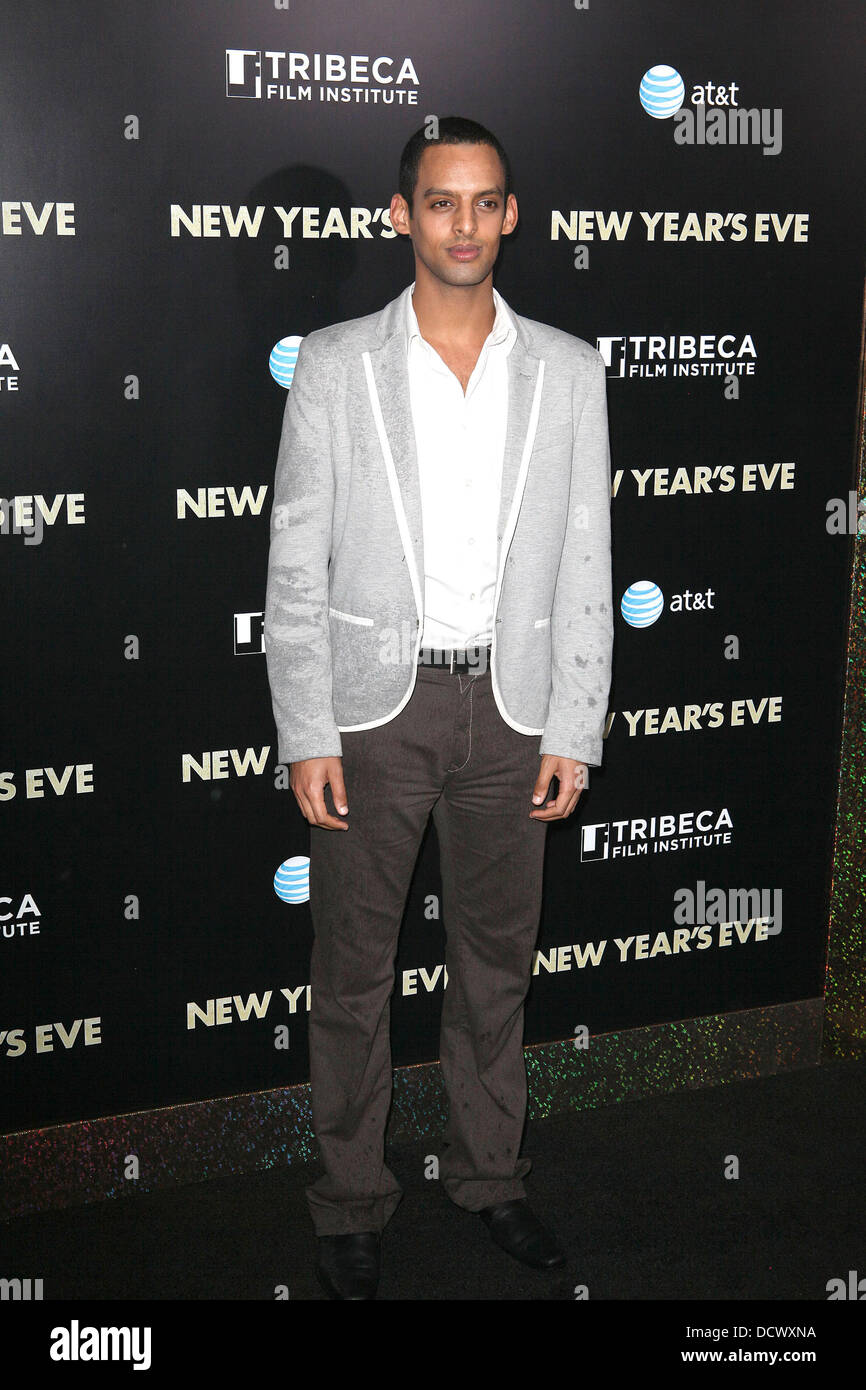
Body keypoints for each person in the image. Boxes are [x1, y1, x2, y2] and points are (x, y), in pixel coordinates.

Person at [264, 116, 613, 1300]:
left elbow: (582, 558)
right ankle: (351, 1199)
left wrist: (574, 721)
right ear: (400, 215)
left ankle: (487, 1175)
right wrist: (306, 728)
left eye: (485, 202)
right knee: (353, 971)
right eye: (440, 202)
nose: (463, 224)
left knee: (493, 969)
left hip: (511, 716)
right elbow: (294, 564)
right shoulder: (333, 363)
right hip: (373, 713)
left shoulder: (568, 369)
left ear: (511, 215)